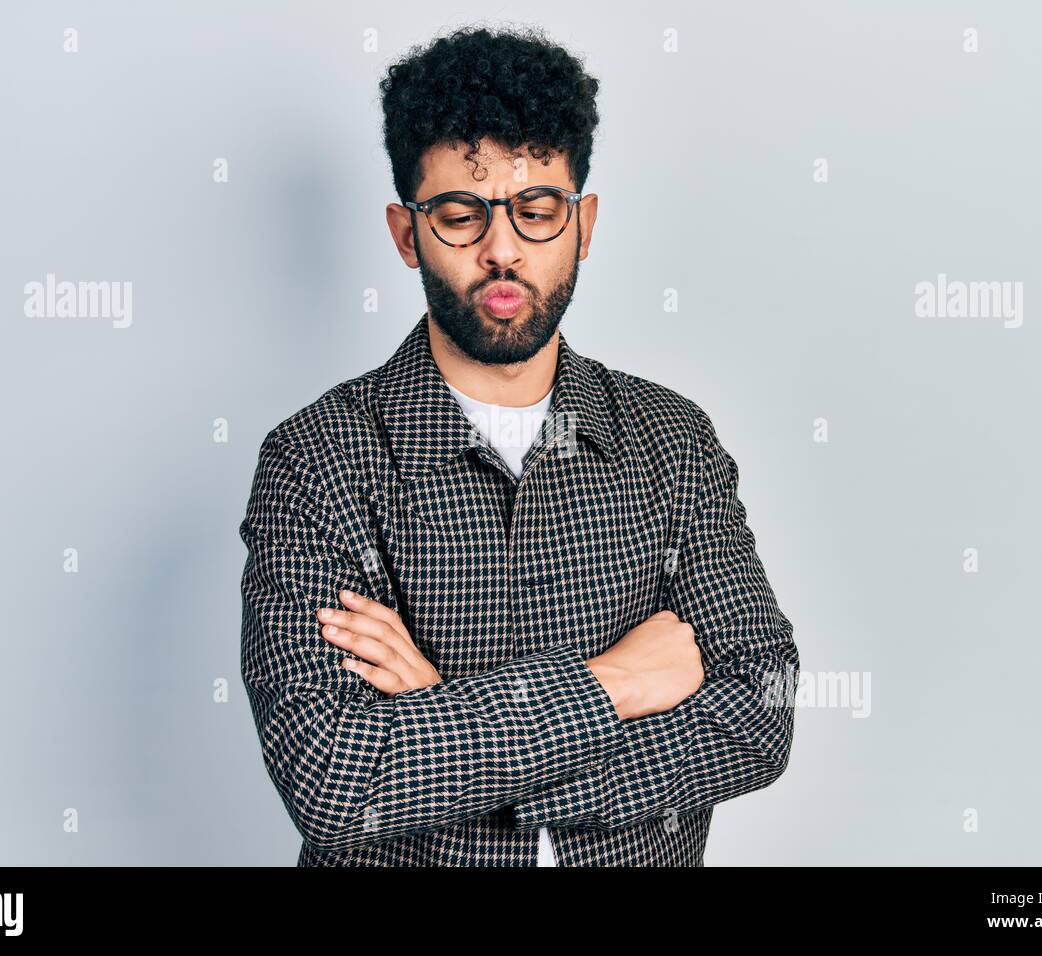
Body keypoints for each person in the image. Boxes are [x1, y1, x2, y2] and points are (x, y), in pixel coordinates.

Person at [239, 24, 799, 867]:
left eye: (536, 212)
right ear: (404, 233)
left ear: (583, 223)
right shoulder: (316, 462)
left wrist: (443, 714)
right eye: (461, 216)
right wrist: (610, 685)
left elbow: (763, 706)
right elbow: (334, 779)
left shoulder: (673, 442)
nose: (502, 250)